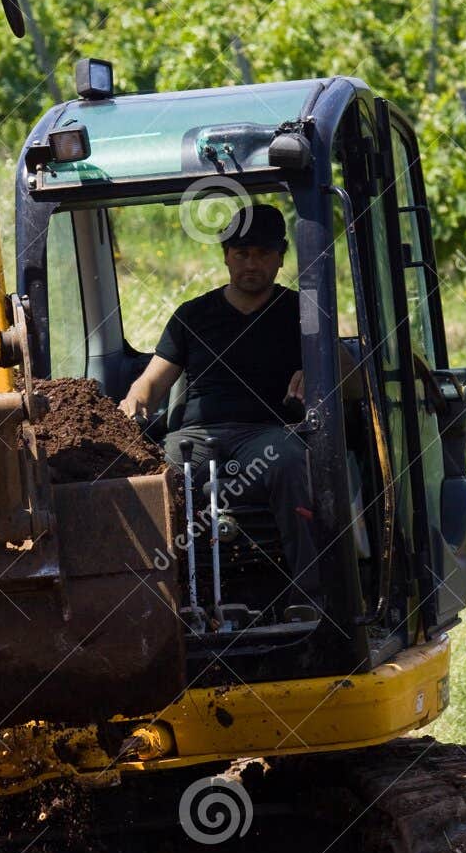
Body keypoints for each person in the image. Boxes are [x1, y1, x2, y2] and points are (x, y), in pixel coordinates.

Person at [118, 204, 319, 610]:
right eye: (242, 253)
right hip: (195, 438)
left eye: (262, 254)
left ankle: (309, 598)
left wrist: (315, 371)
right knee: (157, 473)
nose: (251, 264)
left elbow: (343, 369)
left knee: (290, 460)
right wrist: (130, 406)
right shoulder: (193, 316)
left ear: (281, 257)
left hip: (267, 434)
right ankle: (158, 603)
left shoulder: (302, 311)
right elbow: (152, 383)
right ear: (226, 255)